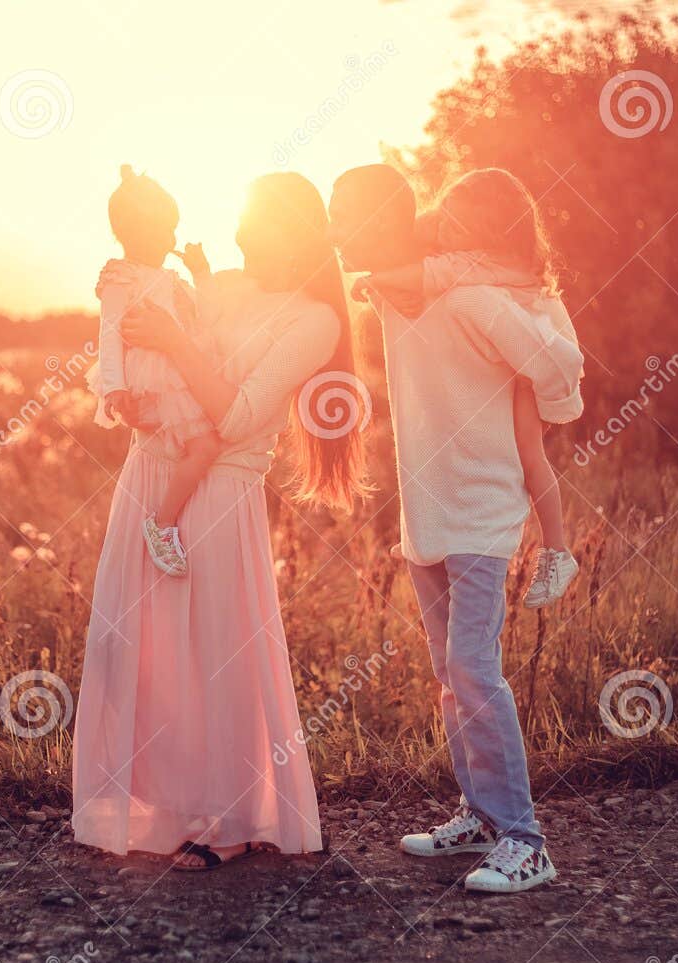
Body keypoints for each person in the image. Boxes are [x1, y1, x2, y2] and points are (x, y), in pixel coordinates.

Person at [72, 172, 368, 871]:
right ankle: (166, 802)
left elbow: (236, 416)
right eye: (240, 234)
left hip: (218, 489)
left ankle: (233, 819)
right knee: (142, 647)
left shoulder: (314, 322)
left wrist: (173, 341)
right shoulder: (230, 284)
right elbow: (155, 339)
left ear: (292, 239)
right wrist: (131, 391)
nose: (240, 247)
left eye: (254, 236)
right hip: (153, 468)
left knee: (214, 648)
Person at [329, 164, 583, 894]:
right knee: (450, 675)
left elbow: (561, 359)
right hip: (427, 511)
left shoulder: (472, 297)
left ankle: (526, 839)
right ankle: (477, 812)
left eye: (351, 215)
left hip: (480, 507)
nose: (341, 231)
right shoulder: (394, 288)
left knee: (474, 669)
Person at [356, 168, 584, 607]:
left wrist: (378, 281)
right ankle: (431, 532)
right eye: (444, 217)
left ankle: (557, 551)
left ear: (486, 233)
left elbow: (434, 273)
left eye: (457, 226)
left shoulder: (484, 264)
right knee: (512, 454)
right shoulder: (445, 238)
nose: (443, 229)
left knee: (529, 456)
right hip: (507, 355)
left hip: (529, 359)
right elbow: (413, 257)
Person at [89, 166, 220, 577]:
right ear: (137, 231)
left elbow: (205, 318)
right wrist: (114, 387)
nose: (173, 240)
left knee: (197, 447)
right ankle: (161, 525)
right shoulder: (120, 277)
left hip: (178, 373)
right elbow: (108, 335)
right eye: (166, 230)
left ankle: (170, 521)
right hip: (154, 379)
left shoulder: (171, 278)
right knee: (204, 446)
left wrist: (201, 273)